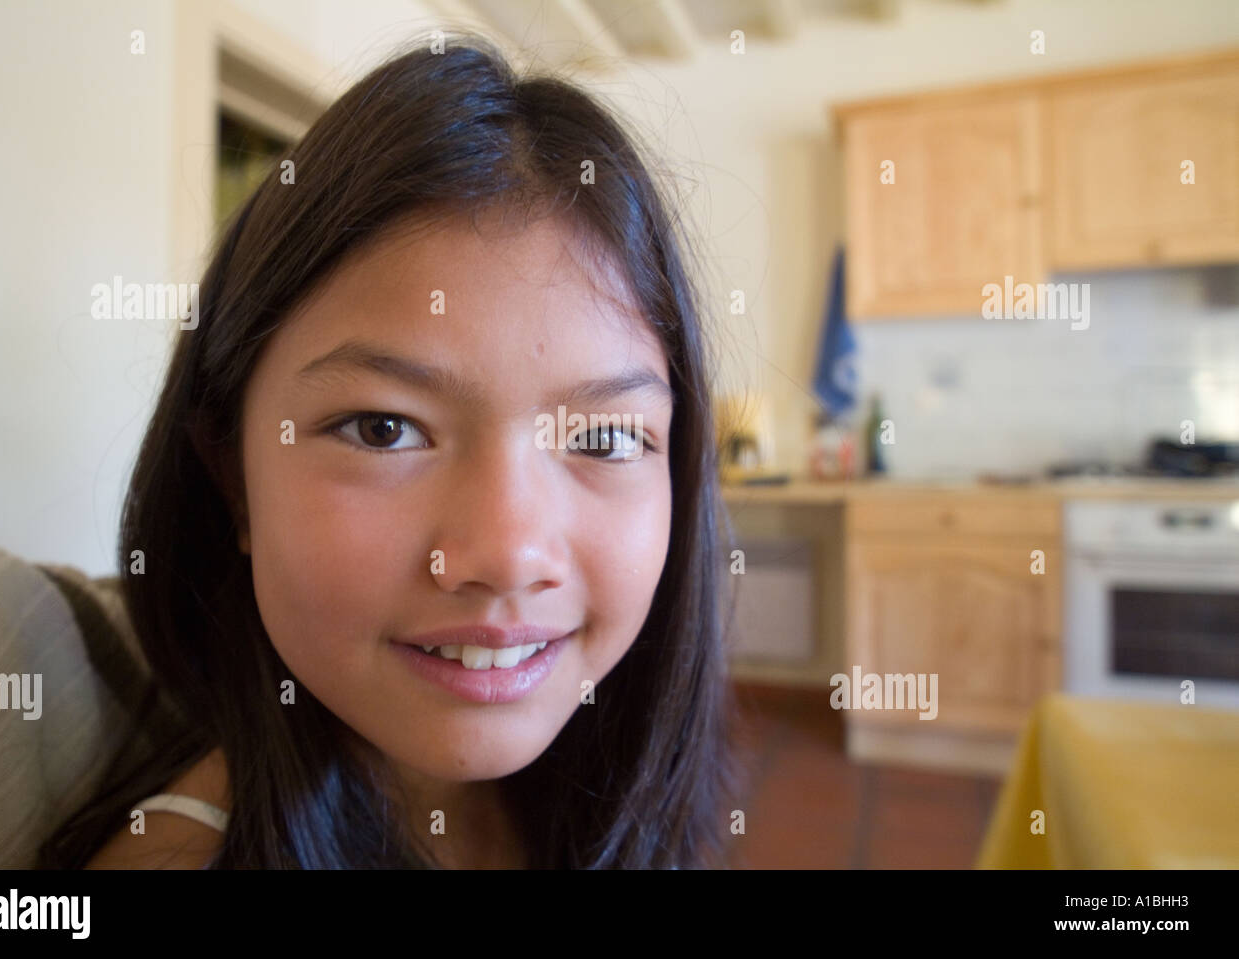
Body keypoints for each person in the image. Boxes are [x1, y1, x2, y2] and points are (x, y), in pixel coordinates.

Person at [38, 33, 740, 869]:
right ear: (233, 481)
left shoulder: (595, 787)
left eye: (604, 438)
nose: (507, 556)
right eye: (385, 428)